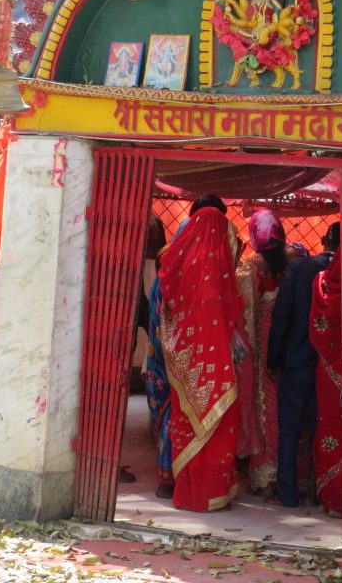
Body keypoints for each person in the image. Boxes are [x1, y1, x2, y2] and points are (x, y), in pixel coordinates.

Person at [158, 206, 243, 512]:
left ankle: (188, 493)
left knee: (188, 421)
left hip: (185, 364)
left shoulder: (179, 264)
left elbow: (165, 306)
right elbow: (232, 314)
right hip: (216, 364)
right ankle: (212, 494)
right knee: (218, 424)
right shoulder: (219, 271)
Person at [266, 222, 338, 508]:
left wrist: (274, 359)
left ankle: (287, 492)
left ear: (323, 240)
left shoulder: (300, 269)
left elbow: (281, 317)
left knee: (290, 428)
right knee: (325, 428)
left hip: (297, 361)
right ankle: (319, 490)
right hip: (334, 368)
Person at [240, 208, 306, 494]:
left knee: (265, 408)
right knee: (294, 408)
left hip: (265, 343)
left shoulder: (252, 266)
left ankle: (266, 476)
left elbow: (246, 308)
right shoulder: (299, 257)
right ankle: (295, 474)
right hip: (295, 339)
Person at [308, 223, 342, 516]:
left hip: (331, 369)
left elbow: (320, 325)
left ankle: (333, 498)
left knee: (331, 424)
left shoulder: (323, 282)